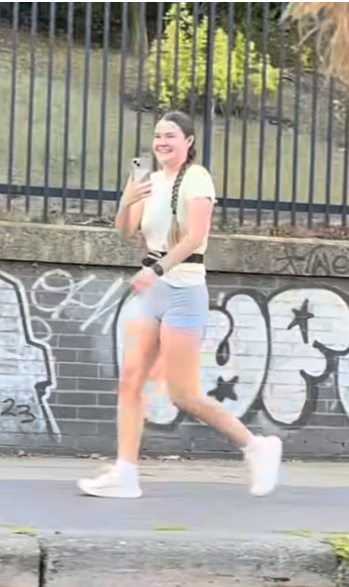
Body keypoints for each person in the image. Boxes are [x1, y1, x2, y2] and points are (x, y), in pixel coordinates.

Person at [77, 112, 283, 500]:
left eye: (170, 135)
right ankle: (125, 472)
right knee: (131, 381)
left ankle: (258, 446)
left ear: (188, 142)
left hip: (184, 293)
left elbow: (196, 236)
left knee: (182, 394)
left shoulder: (197, 178)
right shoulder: (147, 179)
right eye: (157, 136)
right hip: (153, 292)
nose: (161, 142)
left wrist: (155, 269)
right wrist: (126, 199)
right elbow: (127, 231)